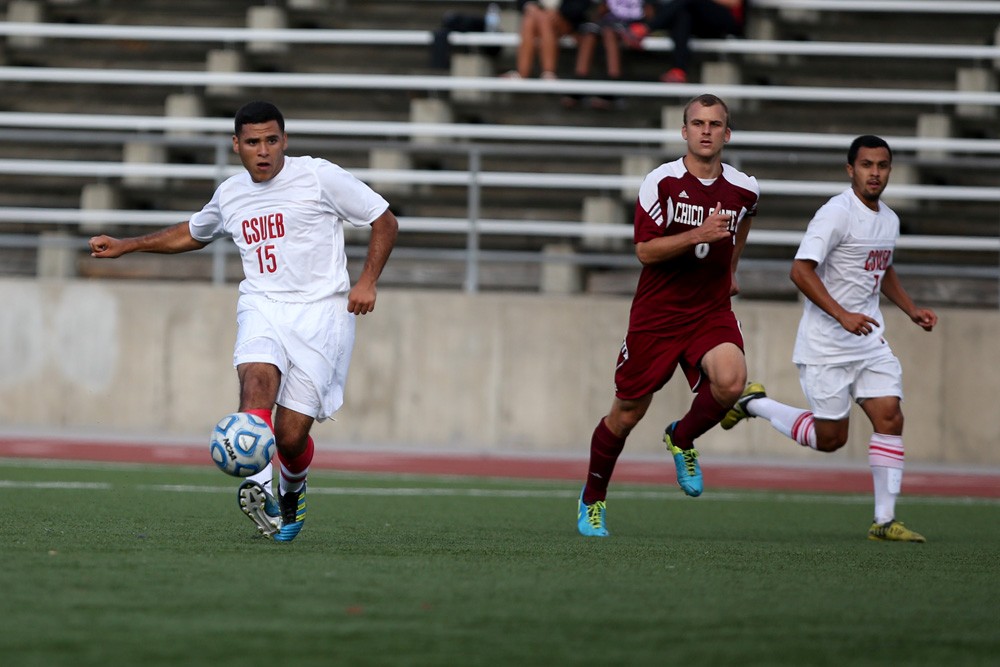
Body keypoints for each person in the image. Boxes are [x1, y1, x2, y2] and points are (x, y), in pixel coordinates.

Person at [88, 101, 399, 543]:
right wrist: (128, 245)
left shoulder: (317, 176)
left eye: (272, 140)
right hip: (263, 304)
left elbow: (384, 220)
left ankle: (292, 489)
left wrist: (367, 281)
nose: (263, 150)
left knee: (291, 438)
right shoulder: (231, 193)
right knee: (256, 381)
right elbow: (193, 232)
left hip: (322, 313)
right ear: (237, 145)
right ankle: (258, 487)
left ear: (284, 140)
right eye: (253, 142)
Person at [720, 135, 937, 543]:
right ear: (850, 169)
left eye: (883, 165)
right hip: (826, 344)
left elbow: (882, 268)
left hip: (869, 339)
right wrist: (842, 315)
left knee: (890, 416)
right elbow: (800, 271)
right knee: (831, 440)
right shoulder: (835, 214)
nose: (875, 173)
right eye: (867, 165)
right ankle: (756, 403)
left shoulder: (888, 219)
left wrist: (910, 309)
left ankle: (884, 521)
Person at [577, 93, 760, 537]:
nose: (705, 130)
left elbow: (743, 223)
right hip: (657, 314)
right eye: (697, 123)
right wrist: (699, 233)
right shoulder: (660, 182)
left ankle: (681, 438)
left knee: (732, 380)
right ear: (684, 131)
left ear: (727, 134)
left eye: (715, 124)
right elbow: (644, 251)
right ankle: (592, 500)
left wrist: (731, 269)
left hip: (709, 309)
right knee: (626, 414)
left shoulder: (745, 188)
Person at [626, 0, 745, 83]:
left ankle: (645, 29)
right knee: (683, 16)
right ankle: (679, 70)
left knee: (685, 4)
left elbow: (734, 3)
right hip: (700, 22)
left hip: (726, 23)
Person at [567, 0, 652, 109]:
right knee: (590, 34)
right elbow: (599, 12)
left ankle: (613, 81)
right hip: (608, 23)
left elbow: (650, 14)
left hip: (632, 25)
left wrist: (643, 28)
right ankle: (579, 80)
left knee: (609, 33)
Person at [503, 0, 592, 79]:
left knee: (542, 19)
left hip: (567, 20)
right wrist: (529, 5)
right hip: (538, 18)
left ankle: (536, 72)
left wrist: (558, 12)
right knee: (530, 19)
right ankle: (532, 72)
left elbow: (581, 5)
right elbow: (523, 2)